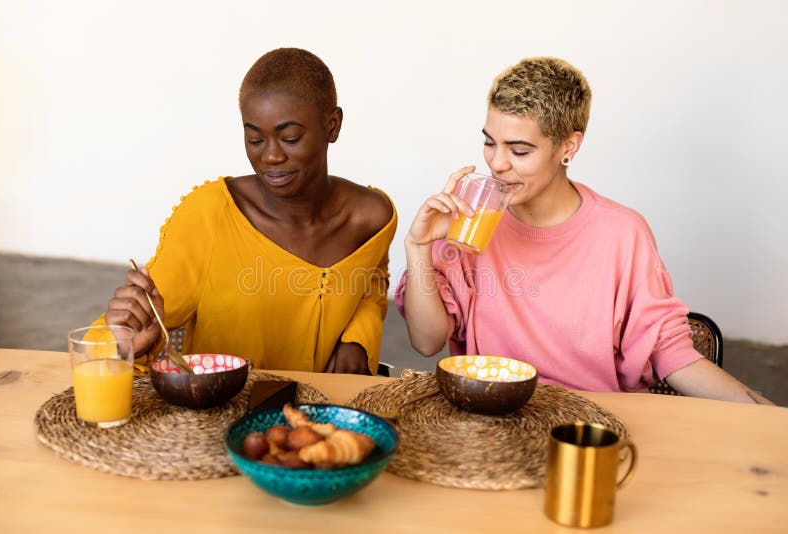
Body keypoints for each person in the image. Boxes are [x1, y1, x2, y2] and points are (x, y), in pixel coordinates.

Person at [396, 56, 772, 403]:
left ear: (568, 146)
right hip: (491, 414)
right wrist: (418, 247)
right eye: (489, 142)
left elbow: (671, 353)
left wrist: (768, 416)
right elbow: (427, 342)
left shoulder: (623, 234)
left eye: (520, 150)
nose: (497, 163)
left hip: (586, 425)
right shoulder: (470, 224)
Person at [100, 48, 396, 375]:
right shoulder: (211, 216)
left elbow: (370, 284)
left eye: (290, 137)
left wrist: (357, 339)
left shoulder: (371, 217)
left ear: (332, 125)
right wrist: (123, 346)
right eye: (255, 139)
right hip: (225, 415)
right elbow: (125, 332)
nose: (270, 156)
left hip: (327, 414)